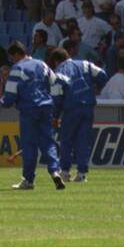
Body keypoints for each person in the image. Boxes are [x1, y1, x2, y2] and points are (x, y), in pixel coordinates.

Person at [1, 40, 65, 190]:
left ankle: (28, 180)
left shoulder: (17, 68)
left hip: (29, 109)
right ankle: (55, 171)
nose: (12, 61)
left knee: (29, 145)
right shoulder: (42, 64)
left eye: (12, 57)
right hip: (46, 107)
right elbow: (55, 84)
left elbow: (10, 95)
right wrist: (54, 105)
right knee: (48, 142)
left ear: (16, 54)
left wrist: (3, 102)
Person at [49, 47, 106, 183]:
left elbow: (56, 97)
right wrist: (97, 88)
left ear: (56, 61)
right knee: (83, 141)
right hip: (88, 107)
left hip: (71, 109)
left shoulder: (58, 72)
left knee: (66, 141)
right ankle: (82, 173)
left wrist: (55, 116)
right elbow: (102, 74)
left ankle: (65, 172)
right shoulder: (85, 64)